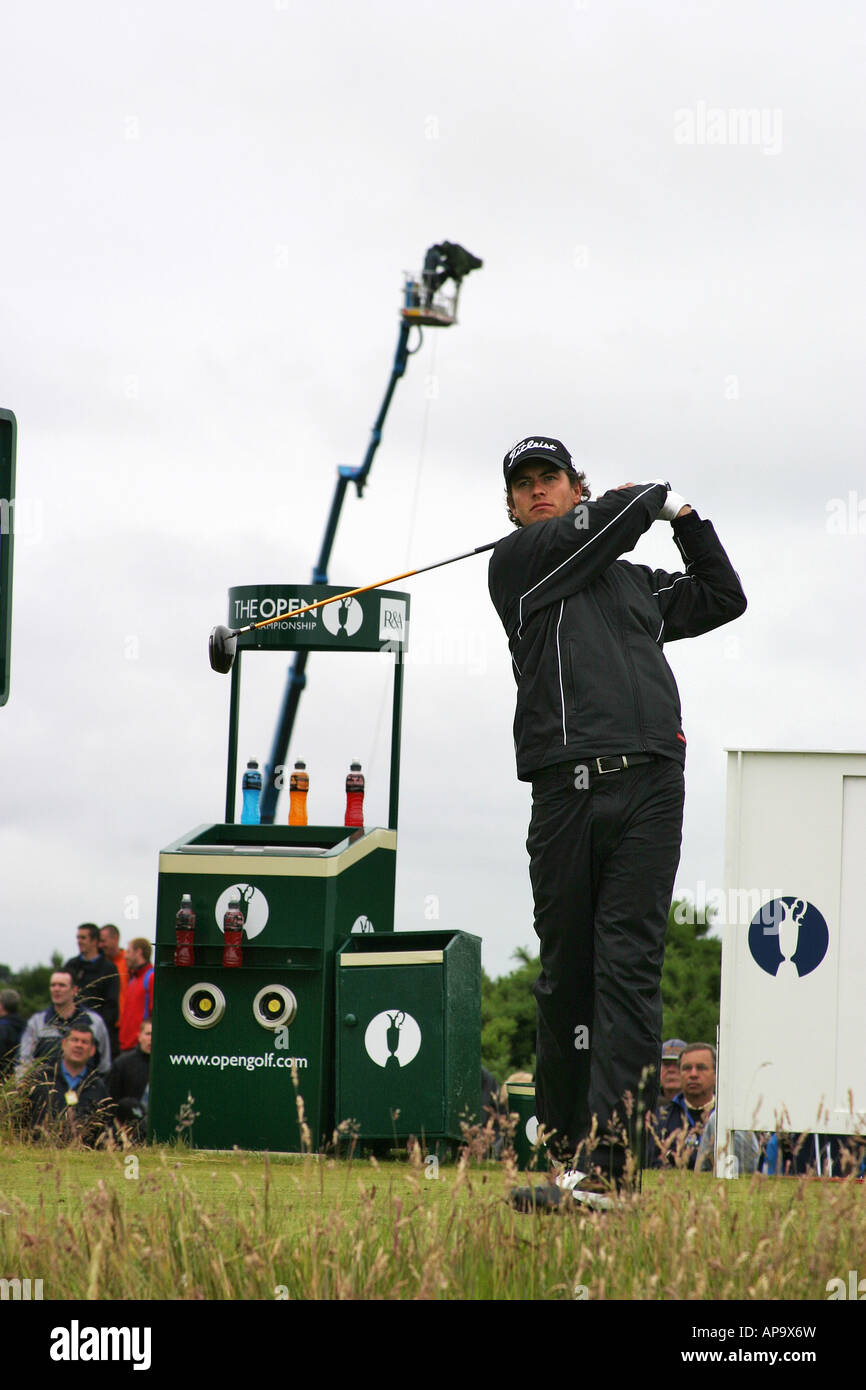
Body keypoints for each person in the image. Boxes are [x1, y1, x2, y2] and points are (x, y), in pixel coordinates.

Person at [487, 437, 746, 1211]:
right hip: (564, 794)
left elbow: (722, 595)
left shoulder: (633, 585)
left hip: (649, 784)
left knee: (627, 970)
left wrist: (689, 519)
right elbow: (611, 522)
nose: (537, 493)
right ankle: (568, 1157)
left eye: (550, 480)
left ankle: (608, 1171)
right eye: (524, 485)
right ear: (512, 507)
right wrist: (650, 496)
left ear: (575, 486)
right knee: (568, 978)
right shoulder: (520, 565)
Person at [17, 970, 112, 1079]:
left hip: (84, 1090)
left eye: (62, 985)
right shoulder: (37, 1022)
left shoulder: (95, 1022)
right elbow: (23, 1063)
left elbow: (104, 1065)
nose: (56, 989)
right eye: (53, 985)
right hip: (45, 1091)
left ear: (74, 990)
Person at [29, 1024, 110, 1145]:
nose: (79, 1045)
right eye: (74, 1040)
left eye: (84, 1042)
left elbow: (106, 1130)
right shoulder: (41, 1079)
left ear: (92, 1050)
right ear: (63, 1044)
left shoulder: (97, 1086)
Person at [657, 1042, 717, 1168]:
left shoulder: (728, 1119)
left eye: (701, 1068)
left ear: (716, 1074)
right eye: (687, 1068)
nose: (693, 1074)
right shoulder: (660, 1119)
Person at [63, 923, 120, 1039]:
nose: (79, 941)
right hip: (70, 1030)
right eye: (78, 938)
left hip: (97, 1031)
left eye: (83, 938)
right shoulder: (71, 965)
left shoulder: (109, 968)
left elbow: (112, 1003)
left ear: (94, 941)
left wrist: (99, 1028)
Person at [108, 1019, 152, 1142]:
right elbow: (111, 1100)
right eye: (148, 1034)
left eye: (155, 1034)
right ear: (139, 1036)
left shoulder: (167, 1065)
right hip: (126, 1129)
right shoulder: (122, 1064)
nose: (151, 1039)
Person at [118, 939, 154, 1053]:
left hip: (139, 1047)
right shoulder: (133, 979)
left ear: (138, 952)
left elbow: (154, 1013)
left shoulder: (151, 977)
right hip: (126, 1046)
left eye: (128, 952)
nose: (125, 956)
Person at [99, 924, 128, 1055]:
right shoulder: (101, 964)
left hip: (124, 1027)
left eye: (103, 941)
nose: (100, 945)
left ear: (115, 938)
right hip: (106, 1025)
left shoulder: (128, 961)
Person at [0, 989, 25, 1079]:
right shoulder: (25, 1025)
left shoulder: (2, 1028)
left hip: (3, 1080)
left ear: (2, 1006)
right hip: (21, 1077)